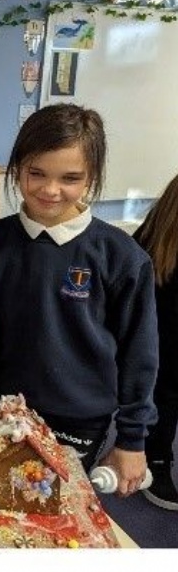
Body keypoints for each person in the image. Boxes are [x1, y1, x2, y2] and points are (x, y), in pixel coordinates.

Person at [0, 104, 158, 492]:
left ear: (91, 178)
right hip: (7, 408)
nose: (50, 189)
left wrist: (132, 438)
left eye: (70, 178)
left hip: (81, 420)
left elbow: (139, 355)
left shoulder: (123, 258)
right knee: (1, 501)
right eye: (36, 173)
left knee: (55, 507)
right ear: (18, 167)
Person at [131, 172, 178, 508]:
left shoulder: (153, 225)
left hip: (157, 341)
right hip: (161, 341)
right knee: (165, 396)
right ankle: (156, 462)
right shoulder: (156, 234)